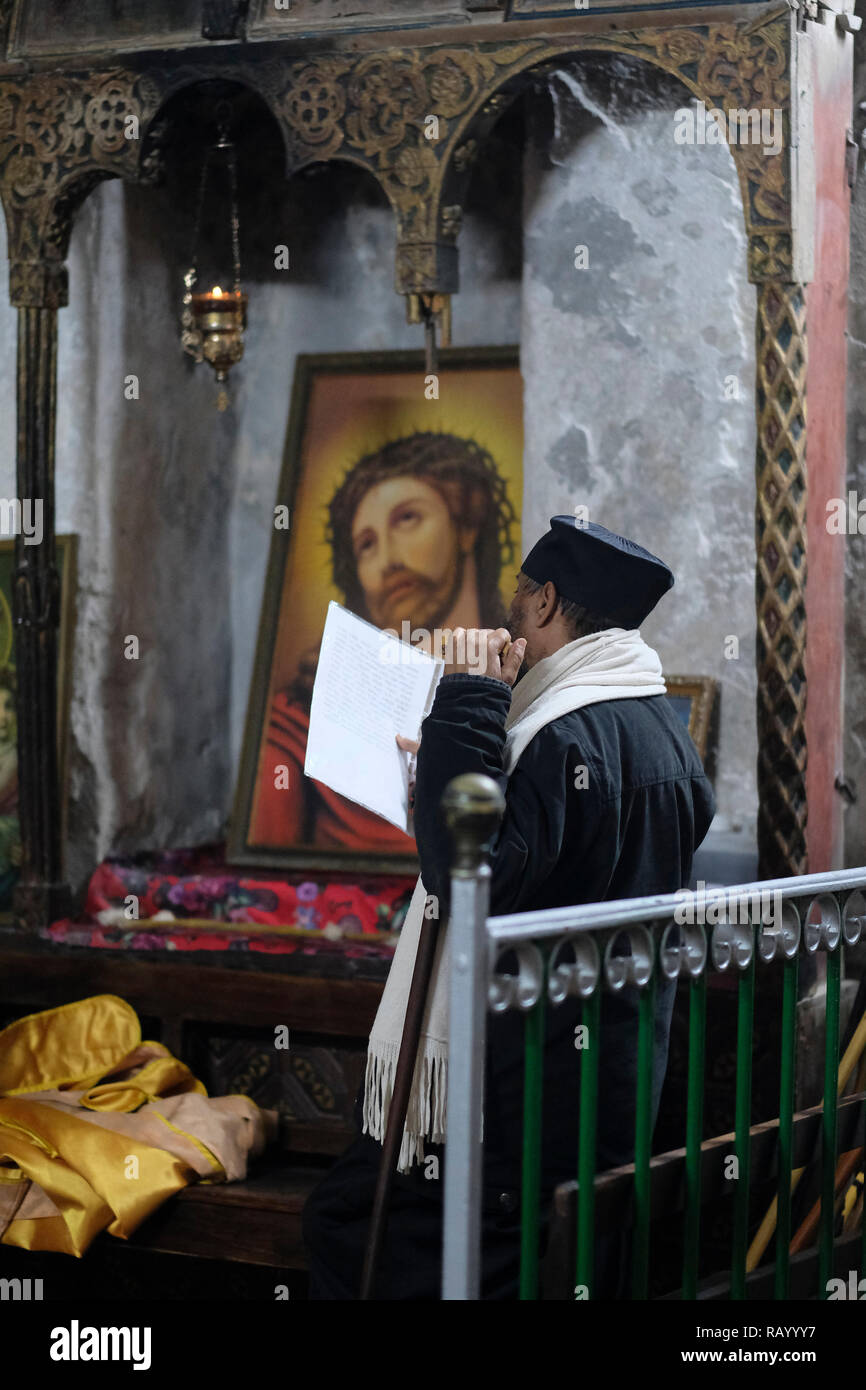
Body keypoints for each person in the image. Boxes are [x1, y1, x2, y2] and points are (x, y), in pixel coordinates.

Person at [302, 514, 716, 1299]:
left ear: (547, 601)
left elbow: (470, 881)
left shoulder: (556, 734)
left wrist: (466, 698)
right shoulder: (661, 728)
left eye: (518, 599)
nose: (505, 617)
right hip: (602, 1082)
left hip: (507, 1099)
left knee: (356, 1237)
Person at [249, 431, 516, 852]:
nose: (388, 559)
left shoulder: (522, 683)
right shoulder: (302, 720)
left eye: (407, 519)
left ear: (465, 526)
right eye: (366, 545)